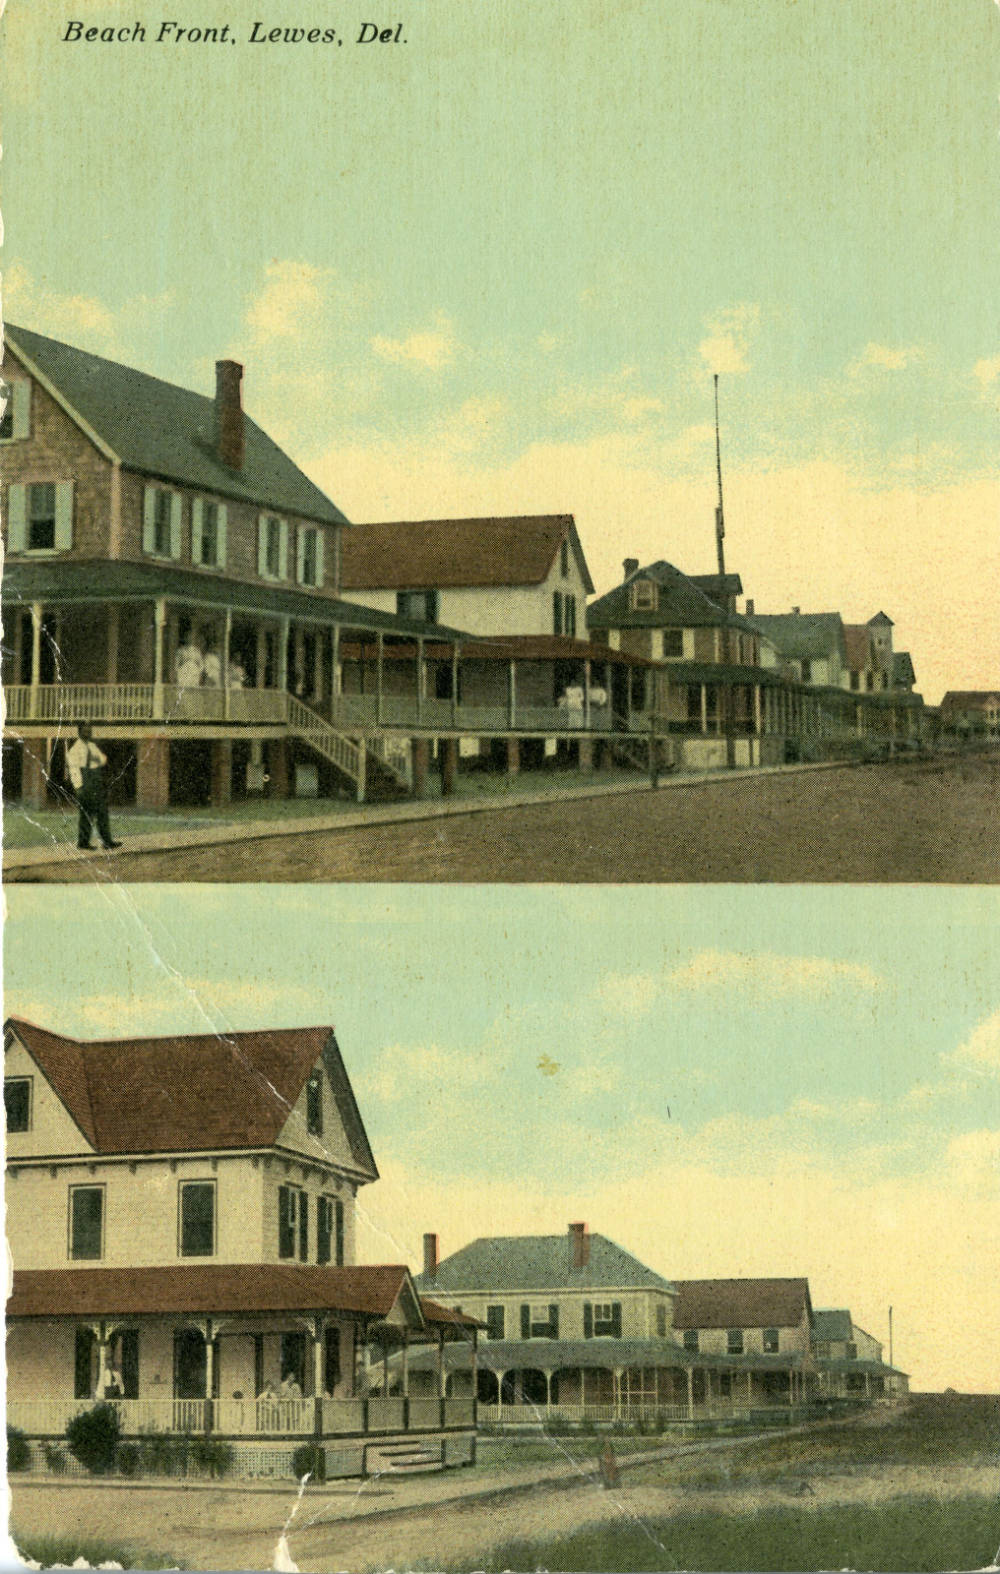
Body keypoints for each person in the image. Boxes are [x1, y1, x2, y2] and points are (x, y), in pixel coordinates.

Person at [66, 722, 121, 850]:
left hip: (96, 781)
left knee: (102, 811)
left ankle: (107, 841)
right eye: (85, 731)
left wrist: (96, 760)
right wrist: (79, 787)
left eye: (89, 730)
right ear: (79, 732)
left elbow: (103, 759)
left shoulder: (92, 746)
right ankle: (83, 843)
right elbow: (74, 770)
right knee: (86, 814)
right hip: (85, 783)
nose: (88, 733)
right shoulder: (75, 749)